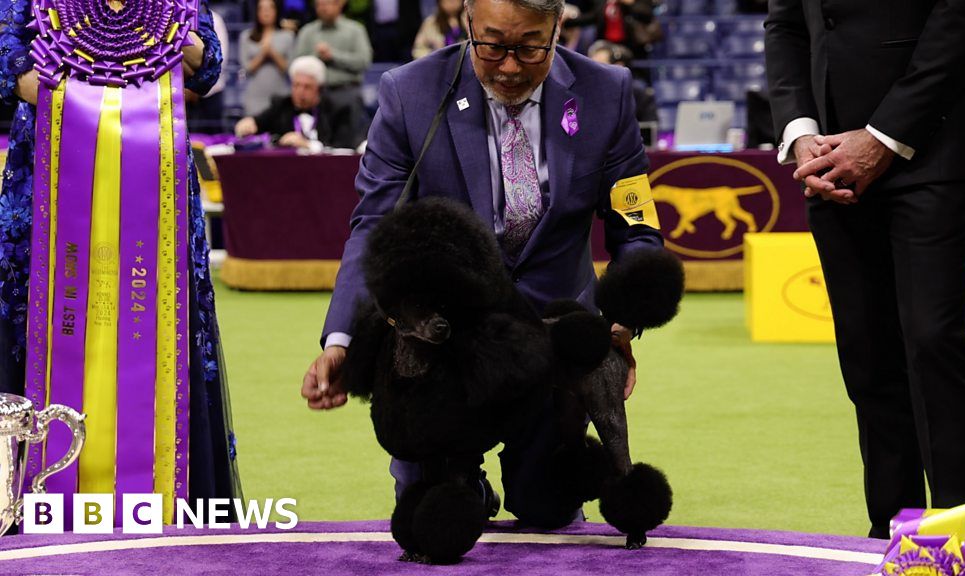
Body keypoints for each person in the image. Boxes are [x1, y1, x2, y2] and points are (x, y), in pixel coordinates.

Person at [300, 0, 663, 527]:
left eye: (531, 46)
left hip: (552, 342)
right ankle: (465, 485)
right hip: (445, 347)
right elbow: (375, 227)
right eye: (492, 45)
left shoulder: (607, 92)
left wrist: (625, 319)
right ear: (467, 21)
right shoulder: (409, 93)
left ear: (558, 27)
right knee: (432, 516)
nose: (510, 66)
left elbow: (636, 227)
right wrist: (341, 342)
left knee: (547, 512)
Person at [765, 1, 965, 538]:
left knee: (935, 342)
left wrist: (882, 136)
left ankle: (962, 537)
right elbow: (785, 24)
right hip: (826, 158)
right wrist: (800, 132)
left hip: (934, 147)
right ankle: (892, 533)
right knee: (866, 352)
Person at [0, 1, 241, 512]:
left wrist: (173, 34)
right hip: (49, 184)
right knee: (40, 314)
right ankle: (30, 499)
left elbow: (208, 69)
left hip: (158, 189)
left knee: (160, 313)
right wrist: (75, 102)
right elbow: (8, 59)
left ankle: (167, 492)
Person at [236, 56, 362, 150]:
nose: (300, 92)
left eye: (307, 87)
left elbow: (344, 148)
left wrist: (307, 145)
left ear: (319, 89)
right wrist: (248, 123)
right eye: (296, 85)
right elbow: (257, 122)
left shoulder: (338, 109)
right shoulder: (282, 105)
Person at [293, 0, 372, 122]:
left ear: (339, 4)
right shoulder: (307, 31)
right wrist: (317, 57)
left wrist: (333, 56)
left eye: (327, 4)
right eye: (319, 5)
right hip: (315, 97)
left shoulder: (355, 30)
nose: (323, 8)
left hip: (347, 92)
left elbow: (364, 62)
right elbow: (297, 65)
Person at [241, 0, 296, 116]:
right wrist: (263, 54)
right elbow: (246, 68)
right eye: (262, 8)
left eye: (270, 8)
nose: (266, 12)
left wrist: (273, 53)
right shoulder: (246, 36)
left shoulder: (288, 36)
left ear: (276, 11)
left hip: (280, 96)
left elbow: (290, 69)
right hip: (254, 97)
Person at [587, 40, 657, 125]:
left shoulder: (640, 96)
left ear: (618, 66)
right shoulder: (585, 96)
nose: (595, 73)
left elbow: (649, 129)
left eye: (601, 66)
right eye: (592, 67)